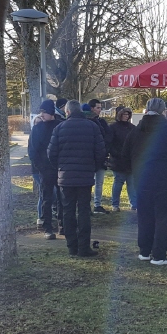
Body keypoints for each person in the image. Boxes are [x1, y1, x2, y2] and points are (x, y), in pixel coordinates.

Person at [124, 97, 167, 265]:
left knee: (144, 216)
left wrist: (133, 170)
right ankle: (159, 254)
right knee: (163, 218)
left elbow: (124, 155)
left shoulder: (135, 131)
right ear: (163, 111)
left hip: (142, 181)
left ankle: (144, 251)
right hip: (165, 182)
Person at [48, 100, 106, 257]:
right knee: (84, 211)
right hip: (85, 176)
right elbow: (101, 151)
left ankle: (71, 246)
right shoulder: (92, 127)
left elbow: (51, 153)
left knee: (67, 211)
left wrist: (60, 167)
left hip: (65, 176)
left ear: (67, 112)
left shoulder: (60, 128)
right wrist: (92, 167)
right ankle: (84, 247)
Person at [29, 99, 62, 239]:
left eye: (44, 112)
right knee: (47, 199)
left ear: (51, 113)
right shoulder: (37, 129)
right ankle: (47, 227)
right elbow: (32, 150)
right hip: (46, 169)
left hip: (59, 168)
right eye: (41, 112)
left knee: (62, 198)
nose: (42, 115)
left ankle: (62, 225)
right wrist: (40, 167)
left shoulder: (60, 126)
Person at [86, 98, 113, 214]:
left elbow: (108, 136)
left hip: (101, 156)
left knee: (99, 182)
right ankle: (87, 205)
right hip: (90, 157)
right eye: (98, 108)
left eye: (100, 108)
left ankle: (97, 204)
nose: (99, 110)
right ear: (91, 108)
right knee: (88, 182)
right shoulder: (86, 122)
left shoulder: (101, 122)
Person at [108, 106, 136, 212]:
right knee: (118, 182)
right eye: (124, 114)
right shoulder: (113, 128)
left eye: (128, 114)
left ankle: (134, 204)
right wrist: (115, 154)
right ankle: (115, 204)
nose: (126, 116)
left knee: (131, 183)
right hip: (118, 160)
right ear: (119, 115)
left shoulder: (132, 128)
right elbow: (109, 143)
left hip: (130, 160)